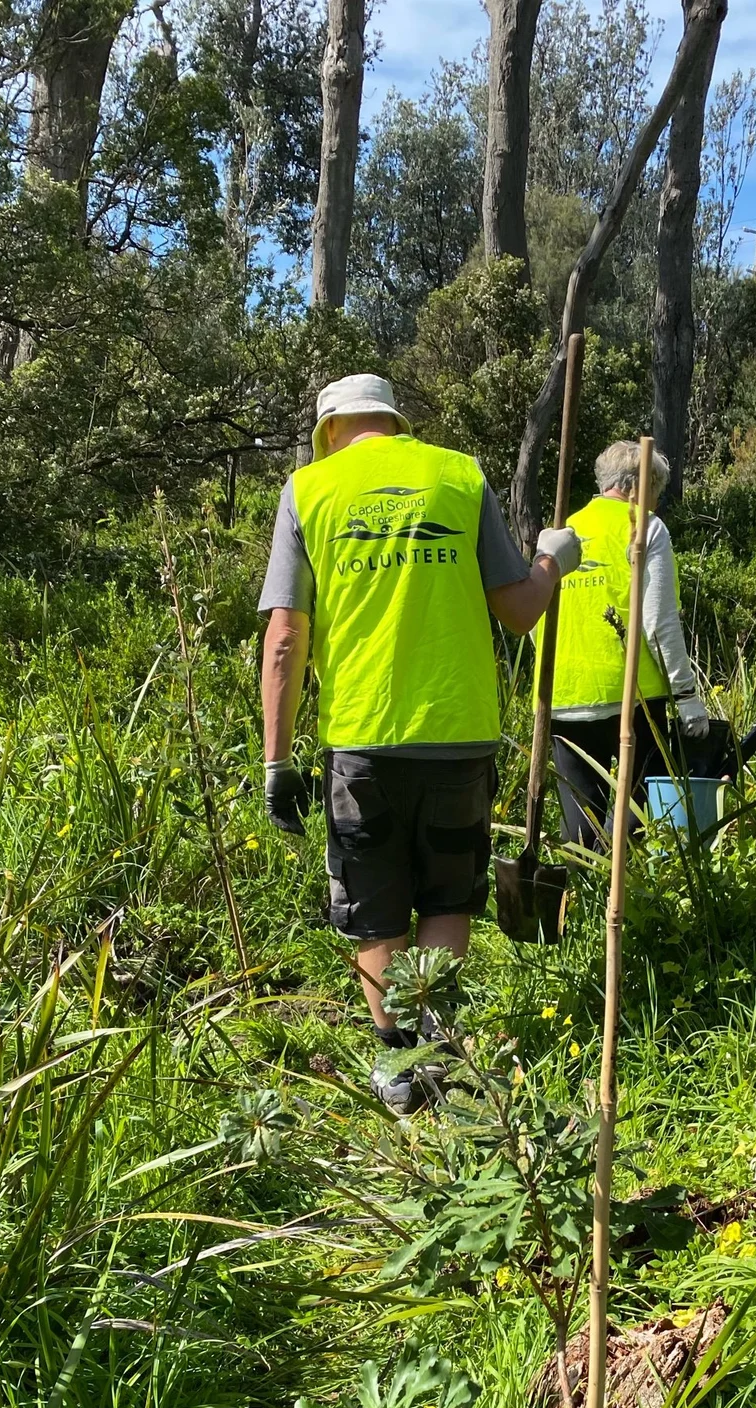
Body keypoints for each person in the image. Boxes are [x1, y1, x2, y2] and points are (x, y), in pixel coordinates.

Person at [257, 372, 580, 1108]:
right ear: (397, 423)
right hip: (459, 733)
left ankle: (399, 1065)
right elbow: (522, 612)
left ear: (330, 430)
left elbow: (284, 638)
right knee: (446, 893)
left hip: (362, 736)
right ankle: (441, 1051)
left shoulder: (310, 490)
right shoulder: (459, 476)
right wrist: (554, 560)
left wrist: (278, 762)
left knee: (374, 905)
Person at [547, 441, 711, 850]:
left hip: (563, 696)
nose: (656, 503)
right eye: (655, 492)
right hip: (631, 698)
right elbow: (658, 622)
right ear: (640, 487)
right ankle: (632, 906)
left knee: (580, 830)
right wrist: (687, 696)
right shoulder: (644, 527)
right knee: (638, 820)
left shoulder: (563, 530)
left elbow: (537, 622)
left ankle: (580, 905)